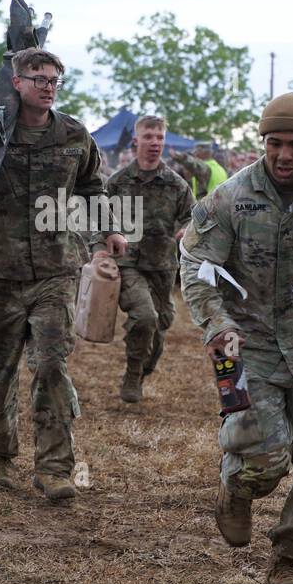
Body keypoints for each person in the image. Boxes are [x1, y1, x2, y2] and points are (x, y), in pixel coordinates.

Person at [180, 93, 293, 584]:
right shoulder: (231, 197)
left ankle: (285, 561)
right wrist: (216, 324)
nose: (284, 155)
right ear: (262, 142)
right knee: (265, 460)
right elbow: (195, 265)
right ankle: (236, 491)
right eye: (275, 143)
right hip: (246, 347)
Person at [0, 48, 122, 501]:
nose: (47, 84)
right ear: (16, 82)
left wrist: (105, 234)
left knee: (52, 364)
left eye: (53, 77)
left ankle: (54, 468)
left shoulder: (74, 134)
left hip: (55, 270)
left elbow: (93, 187)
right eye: (37, 77)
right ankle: (0, 454)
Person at [93, 114, 194, 402]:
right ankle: (133, 373)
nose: (155, 143)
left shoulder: (176, 184)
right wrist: (98, 248)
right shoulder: (118, 181)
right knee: (144, 316)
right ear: (136, 141)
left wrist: (185, 230)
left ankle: (143, 366)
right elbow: (99, 218)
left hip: (162, 265)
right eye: (148, 137)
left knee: (160, 329)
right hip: (130, 264)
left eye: (159, 137)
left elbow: (192, 217)